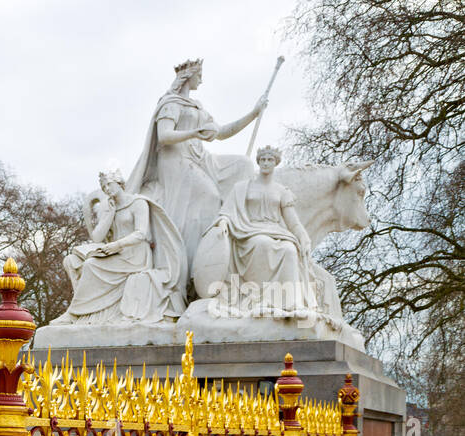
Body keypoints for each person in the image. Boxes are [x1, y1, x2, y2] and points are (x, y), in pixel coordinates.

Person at [127, 58, 266, 267]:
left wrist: (254, 113)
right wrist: (194, 133)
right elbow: (164, 136)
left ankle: (238, 231)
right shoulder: (170, 104)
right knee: (209, 195)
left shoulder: (197, 107)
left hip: (201, 158)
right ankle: (198, 263)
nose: (201, 81)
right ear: (188, 76)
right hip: (176, 159)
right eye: (199, 76)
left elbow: (222, 132)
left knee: (244, 165)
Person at [203, 145, 321, 318]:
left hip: (276, 231)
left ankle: (290, 303)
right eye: (263, 160)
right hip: (249, 231)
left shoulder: (282, 191)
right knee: (261, 243)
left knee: (289, 249)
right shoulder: (242, 187)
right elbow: (228, 211)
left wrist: (304, 237)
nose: (266, 163)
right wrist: (223, 222)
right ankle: (258, 300)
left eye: (270, 160)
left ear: (276, 163)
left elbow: (293, 222)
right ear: (258, 162)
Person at [57, 169, 185, 325]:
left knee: (91, 265)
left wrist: (116, 245)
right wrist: (110, 214)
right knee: (72, 260)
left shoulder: (138, 203)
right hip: (115, 253)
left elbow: (141, 233)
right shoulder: (109, 207)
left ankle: (75, 313)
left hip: (136, 256)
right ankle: (84, 312)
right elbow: (97, 237)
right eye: (104, 187)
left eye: (109, 185)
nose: (107, 190)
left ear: (119, 183)